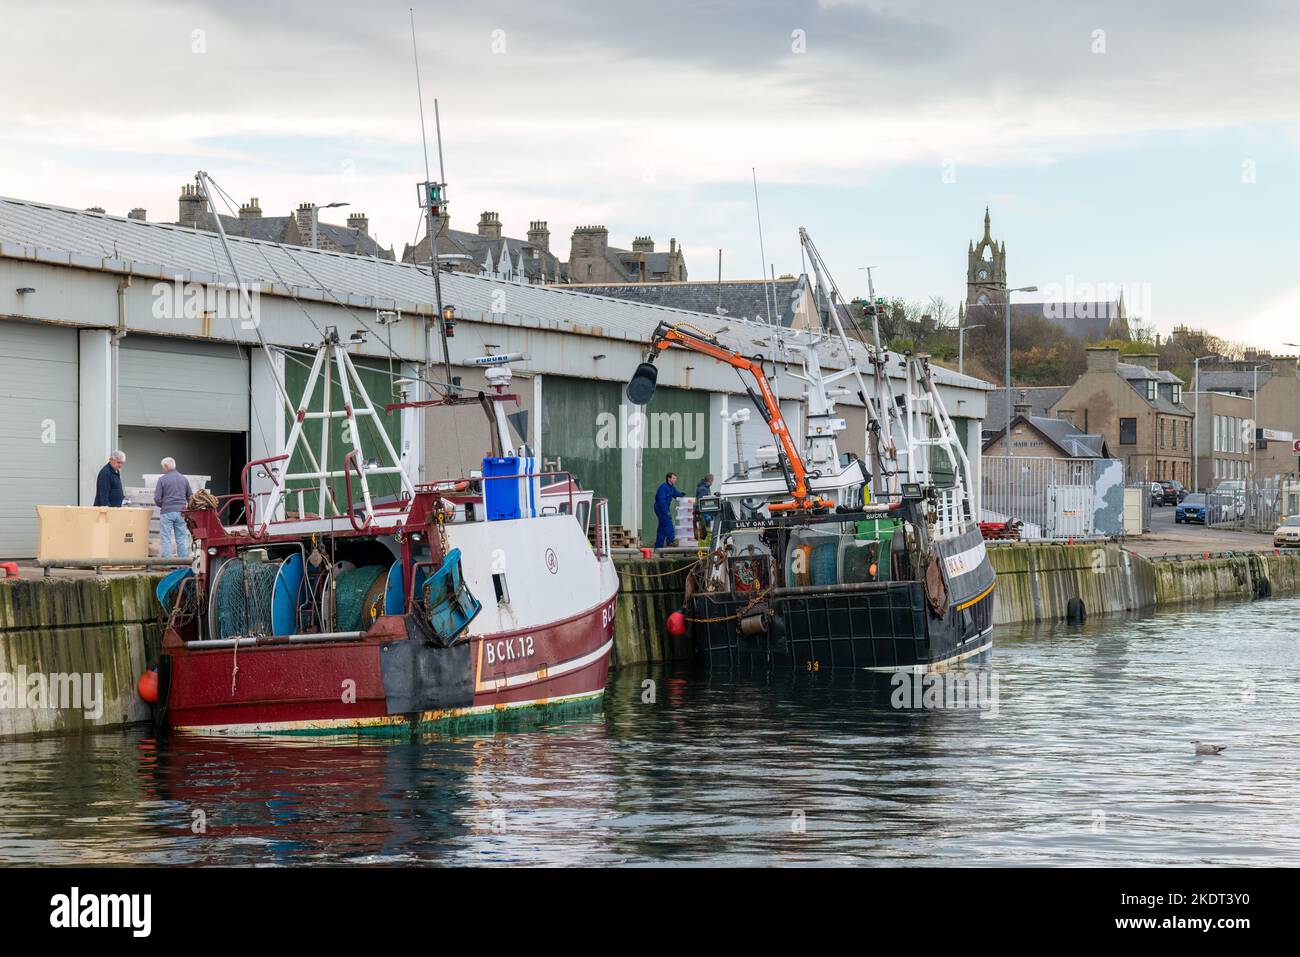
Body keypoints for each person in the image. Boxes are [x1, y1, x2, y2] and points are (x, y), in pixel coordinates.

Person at [154, 457, 193, 558]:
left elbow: (157, 499)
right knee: (181, 538)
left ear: (166, 466)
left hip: (167, 512)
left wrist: (164, 505)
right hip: (181, 512)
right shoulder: (184, 479)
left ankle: (168, 564)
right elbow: (190, 497)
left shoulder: (162, 479)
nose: (163, 470)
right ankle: (183, 563)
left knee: (166, 538)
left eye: (163, 468)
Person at [653, 472, 685, 549]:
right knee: (668, 523)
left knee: (662, 527)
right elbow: (661, 501)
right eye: (674, 478)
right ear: (669, 478)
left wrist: (681, 494)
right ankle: (670, 540)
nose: (675, 480)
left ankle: (658, 546)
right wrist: (666, 512)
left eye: (675, 478)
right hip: (660, 509)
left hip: (665, 508)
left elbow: (675, 493)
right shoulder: (663, 487)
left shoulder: (671, 487)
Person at [693, 473, 714, 540]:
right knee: (704, 531)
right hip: (703, 513)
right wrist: (706, 515)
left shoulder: (705, 488)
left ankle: (706, 544)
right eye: (712, 481)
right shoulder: (703, 489)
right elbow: (702, 503)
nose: (712, 483)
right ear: (710, 480)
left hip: (705, 512)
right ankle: (704, 544)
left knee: (705, 530)